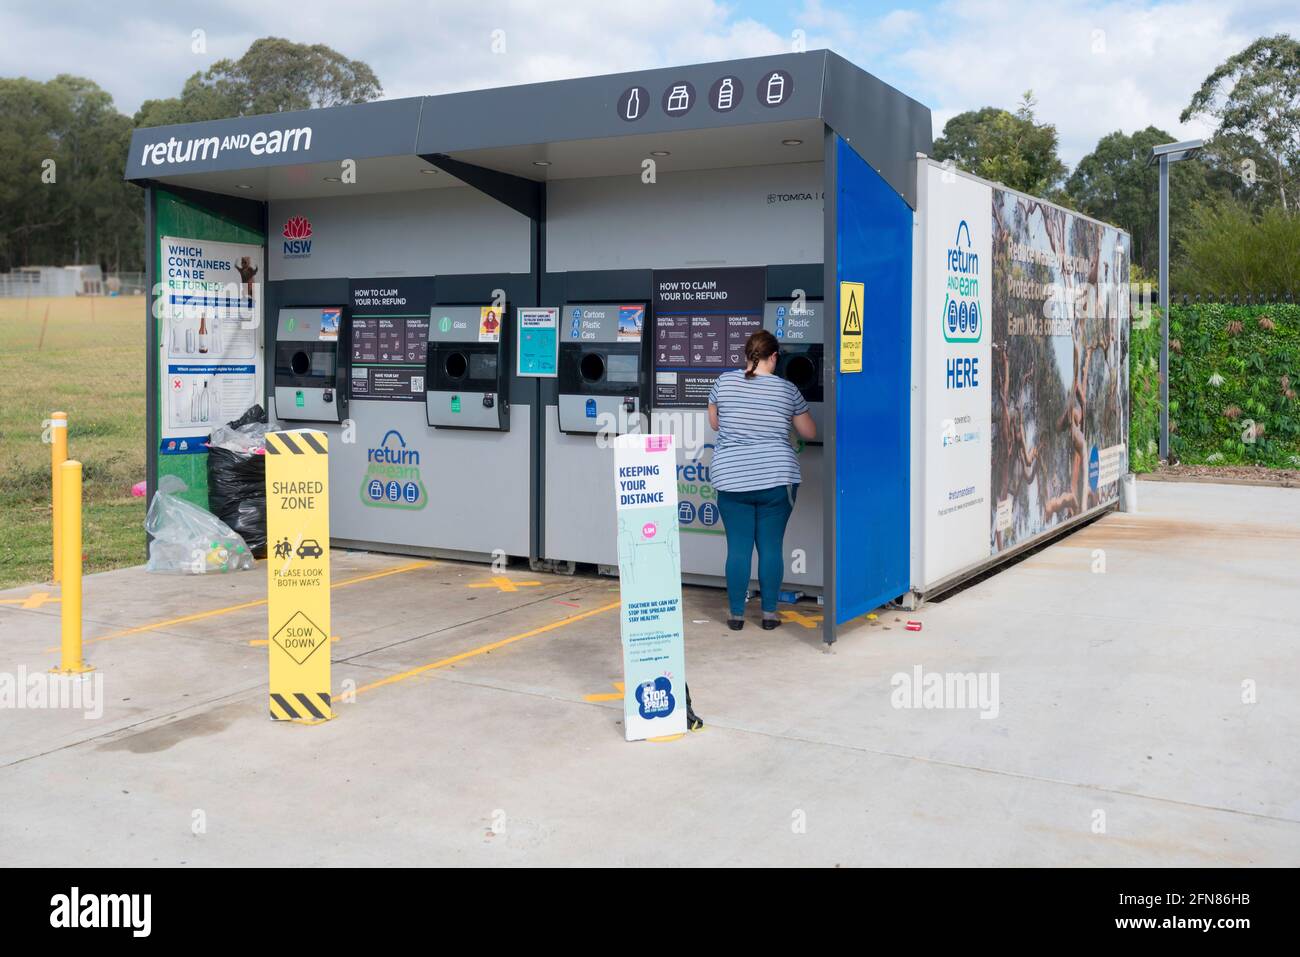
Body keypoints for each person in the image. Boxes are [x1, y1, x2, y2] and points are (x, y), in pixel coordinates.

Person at [707, 330, 817, 631]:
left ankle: (736, 615)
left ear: (746, 355)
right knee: (771, 547)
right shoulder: (787, 390)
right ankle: (769, 615)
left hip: (731, 479)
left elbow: (716, 424)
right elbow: (810, 433)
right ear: (774, 357)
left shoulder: (723, 383)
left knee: (738, 549)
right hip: (776, 479)